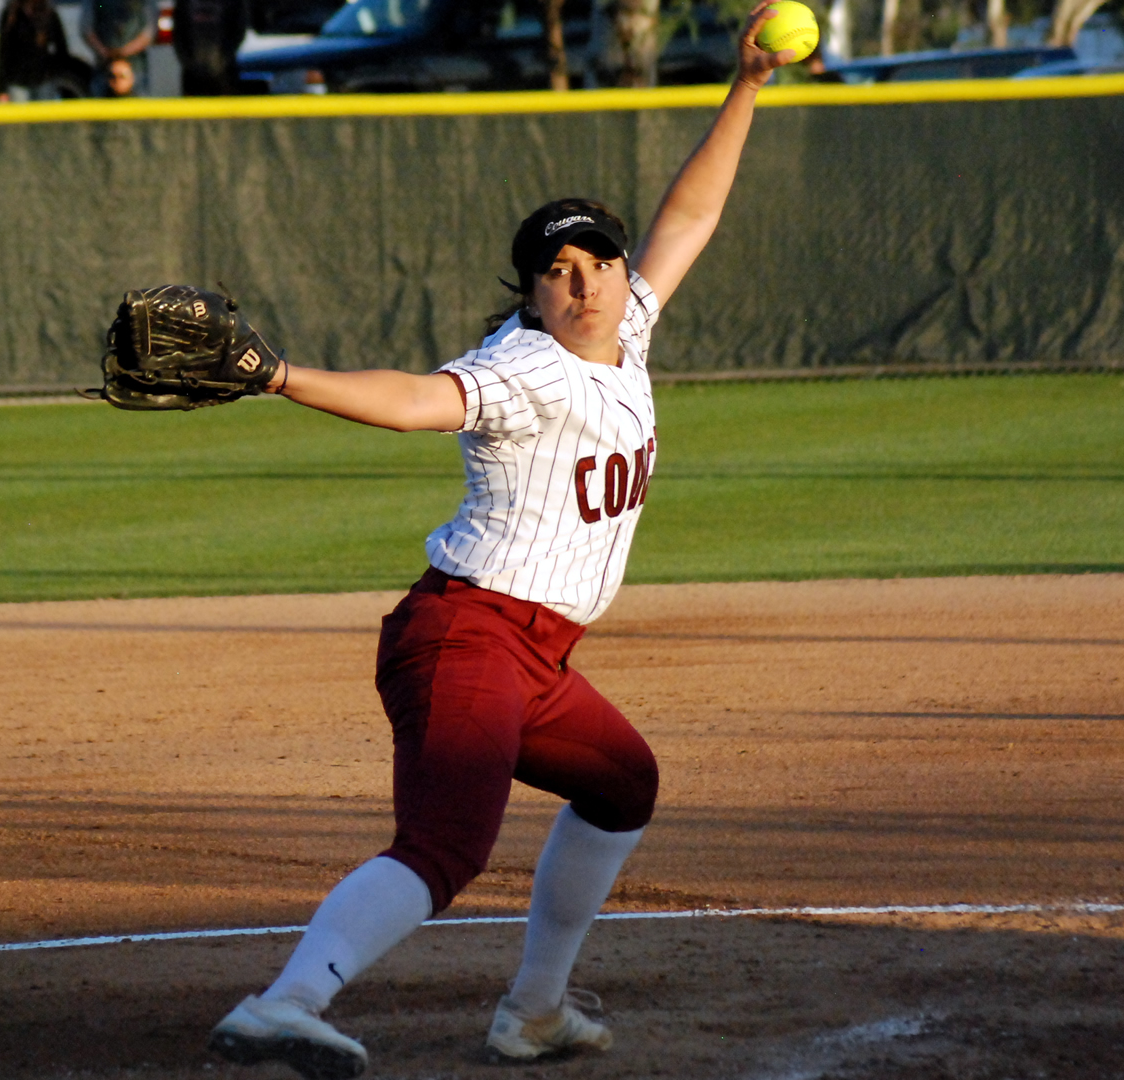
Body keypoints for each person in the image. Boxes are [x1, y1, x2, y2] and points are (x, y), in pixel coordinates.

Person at [202, 5, 799, 1078]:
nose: (582, 284)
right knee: (444, 847)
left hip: (537, 658)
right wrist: (275, 373)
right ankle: (287, 1004)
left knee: (622, 789)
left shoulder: (631, 328)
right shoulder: (525, 366)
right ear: (530, 290)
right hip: (465, 637)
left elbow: (691, 216)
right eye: (556, 270)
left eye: (596, 264)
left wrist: (746, 84)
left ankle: (534, 1009)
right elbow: (413, 401)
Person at [0, 0, 90, 99]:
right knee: (20, 113)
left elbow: (62, 51)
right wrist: (1, 89)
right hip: (17, 80)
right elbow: (3, 53)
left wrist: (55, 75)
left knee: (43, 113)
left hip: (43, 80)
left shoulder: (49, 14)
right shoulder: (11, 14)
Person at [172, 0, 244, 95]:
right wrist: (189, 64)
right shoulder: (184, 3)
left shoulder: (232, 3)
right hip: (193, 75)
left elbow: (238, 29)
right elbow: (179, 32)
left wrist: (225, 60)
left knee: (224, 107)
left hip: (224, 74)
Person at [82, 0, 153, 96]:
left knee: (136, 106)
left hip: (134, 65)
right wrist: (107, 52)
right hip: (105, 66)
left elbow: (149, 30)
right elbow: (87, 30)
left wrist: (119, 52)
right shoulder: (98, 3)